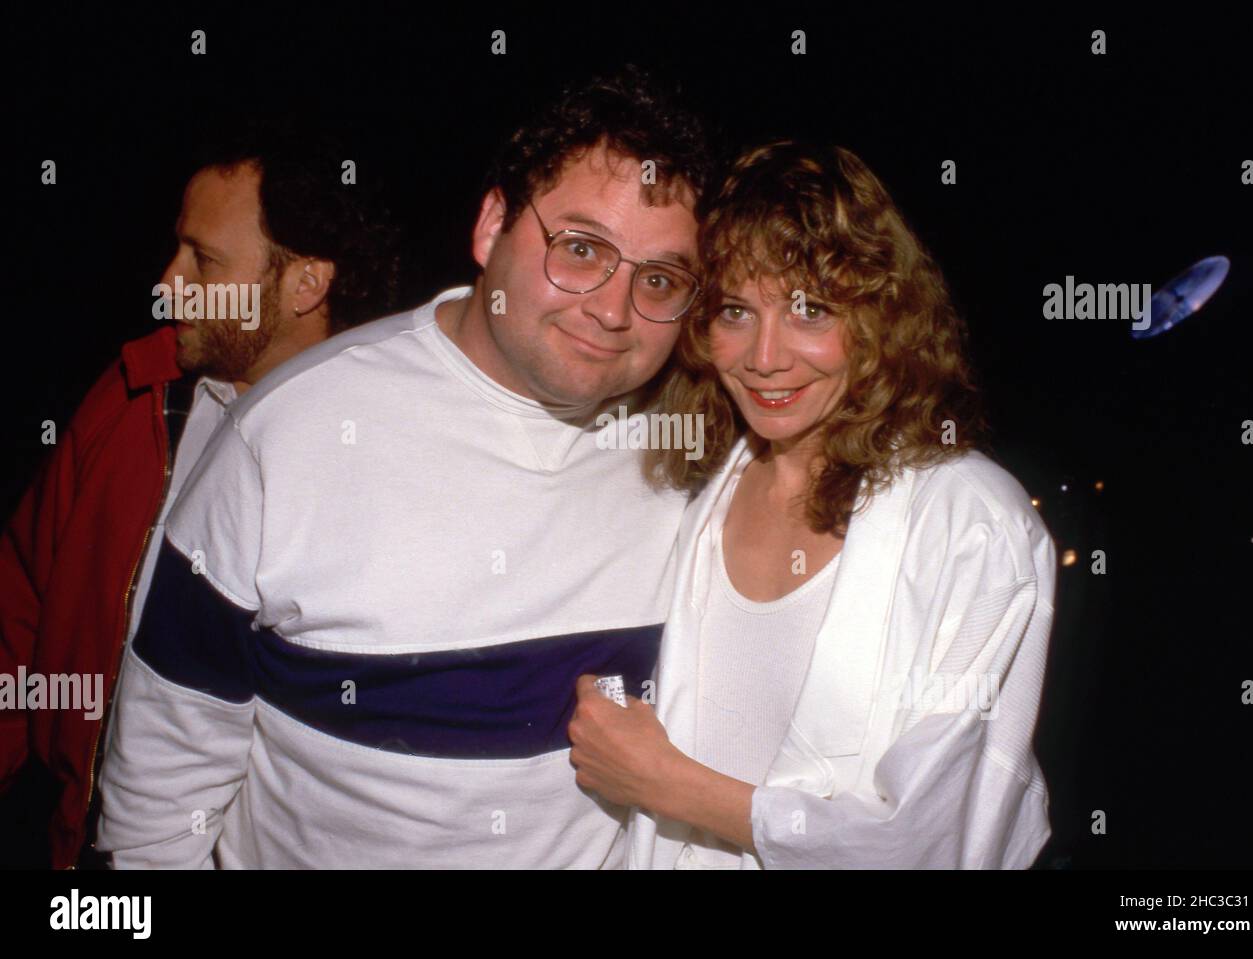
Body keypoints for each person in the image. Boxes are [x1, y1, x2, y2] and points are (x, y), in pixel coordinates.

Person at [95, 66, 716, 868]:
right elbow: (159, 791)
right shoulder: (287, 435)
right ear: (491, 226)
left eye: (658, 279)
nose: (611, 308)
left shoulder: (696, 458)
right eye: (580, 248)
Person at [567, 140, 1058, 869]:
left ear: (881, 319)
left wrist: (666, 783)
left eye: (811, 311)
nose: (765, 357)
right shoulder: (701, 492)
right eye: (736, 311)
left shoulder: (971, 524)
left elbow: (934, 839)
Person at [0, 123, 402, 869]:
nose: (167, 283)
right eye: (177, 249)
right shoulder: (131, 400)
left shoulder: (383, 460)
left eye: (203, 260)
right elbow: (19, 606)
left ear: (306, 282)